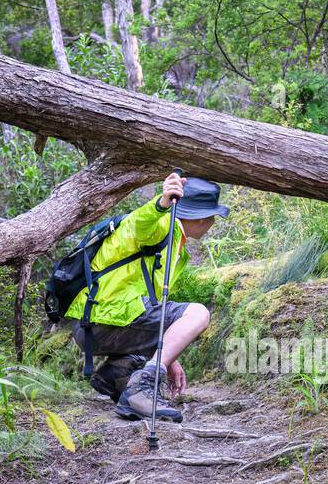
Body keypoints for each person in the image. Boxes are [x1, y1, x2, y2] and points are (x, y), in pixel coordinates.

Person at [63, 172, 227, 422]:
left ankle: (116, 376)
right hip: (107, 319)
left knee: (174, 325)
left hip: (95, 325)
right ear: (200, 217)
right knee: (198, 313)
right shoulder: (160, 226)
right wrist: (161, 203)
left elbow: (152, 309)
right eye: (213, 215)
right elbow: (140, 224)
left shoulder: (173, 242)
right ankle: (142, 389)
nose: (213, 221)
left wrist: (169, 357)